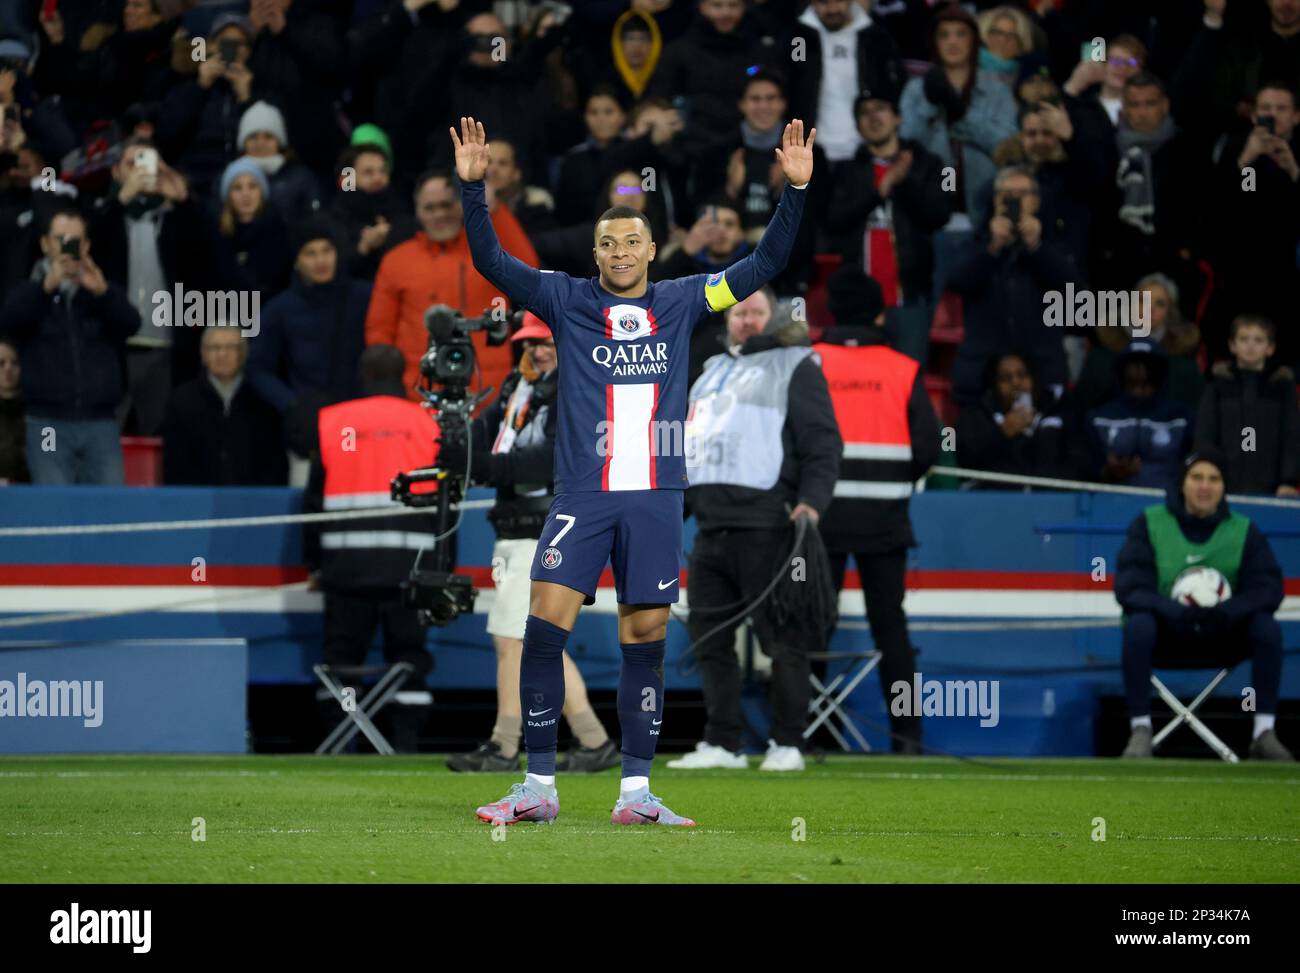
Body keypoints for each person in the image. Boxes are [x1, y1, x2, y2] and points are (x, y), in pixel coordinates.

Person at [453, 112, 813, 826]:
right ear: (595, 254)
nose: (619, 251)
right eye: (607, 243)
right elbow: (493, 262)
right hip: (584, 495)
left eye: (631, 241)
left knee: (644, 642)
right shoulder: (565, 297)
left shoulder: (684, 299)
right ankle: (538, 786)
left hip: (655, 496)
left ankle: (635, 793)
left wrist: (794, 192)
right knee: (542, 629)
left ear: (653, 249)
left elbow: (763, 266)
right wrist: (475, 190)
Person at [670, 287, 841, 772]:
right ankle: (724, 743)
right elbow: (692, 449)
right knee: (708, 638)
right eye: (739, 312)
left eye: (757, 311)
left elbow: (822, 442)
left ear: (774, 317)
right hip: (710, 527)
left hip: (769, 523)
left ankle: (787, 743)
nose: (746, 320)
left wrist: (811, 503)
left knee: (782, 637)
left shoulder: (796, 364)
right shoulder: (710, 371)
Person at [440, 314, 620, 774]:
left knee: (512, 640)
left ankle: (503, 746)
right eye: (529, 344)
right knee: (539, 642)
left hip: (546, 527)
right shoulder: (516, 390)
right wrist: (459, 439)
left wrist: (482, 464)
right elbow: (483, 446)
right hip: (518, 527)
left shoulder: (576, 391)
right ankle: (594, 740)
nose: (537, 352)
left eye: (545, 342)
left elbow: (545, 462)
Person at [813, 267, 938, 753]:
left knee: (814, 624)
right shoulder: (902, 367)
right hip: (885, 520)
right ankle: (907, 736)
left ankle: (813, 734)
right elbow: (928, 447)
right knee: (891, 630)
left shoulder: (809, 361)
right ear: (879, 312)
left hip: (819, 521)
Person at [302, 344, 439, 755]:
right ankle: (406, 743)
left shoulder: (333, 421)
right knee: (409, 655)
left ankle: (342, 741)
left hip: (346, 566)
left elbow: (313, 503)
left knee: (342, 655)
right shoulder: (427, 422)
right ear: (402, 375)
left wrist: (314, 565)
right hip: (412, 566)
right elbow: (449, 504)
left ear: (362, 374)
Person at [1115, 447, 1292, 761]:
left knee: (1266, 627)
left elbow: (1269, 589)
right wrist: (1179, 613)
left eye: (1214, 478)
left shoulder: (1244, 530)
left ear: (1224, 486)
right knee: (1138, 625)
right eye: (1197, 477)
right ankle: (1140, 728)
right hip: (1168, 636)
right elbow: (1130, 588)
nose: (1205, 486)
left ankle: (1264, 732)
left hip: (1223, 635)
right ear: (1182, 483)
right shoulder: (1148, 523)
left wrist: (1223, 613)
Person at [364, 169, 539, 401]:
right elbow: (379, 333)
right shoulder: (396, 260)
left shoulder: (488, 250)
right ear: (417, 212)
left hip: (488, 392)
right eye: (430, 208)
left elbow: (530, 274)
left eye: (447, 205)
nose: (439, 214)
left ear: (462, 205)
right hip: (418, 393)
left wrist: (493, 210)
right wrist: (388, 393)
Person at [0, 206, 140, 484]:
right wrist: (45, 287)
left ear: (86, 245)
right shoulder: (29, 290)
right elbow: (9, 320)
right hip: (46, 423)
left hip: (100, 422)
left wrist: (102, 293)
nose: (67, 246)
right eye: (59, 239)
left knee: (108, 510)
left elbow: (131, 323)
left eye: (74, 239)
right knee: (54, 509)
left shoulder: (100, 290)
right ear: (44, 244)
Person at [827, 89, 952, 367]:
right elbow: (834, 220)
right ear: (857, 125)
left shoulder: (927, 165)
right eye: (864, 113)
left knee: (907, 385)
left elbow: (938, 216)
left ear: (898, 118)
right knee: (861, 385)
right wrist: (878, 191)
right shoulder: (845, 170)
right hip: (859, 305)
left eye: (880, 108)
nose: (873, 117)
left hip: (909, 300)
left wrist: (903, 182)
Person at [246, 217, 371, 487]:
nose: (320, 260)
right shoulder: (280, 308)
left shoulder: (364, 297)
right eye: (310, 253)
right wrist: (292, 405)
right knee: (308, 508)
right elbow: (256, 367)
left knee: (360, 498)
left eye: (327, 250)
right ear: (297, 261)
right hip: (308, 430)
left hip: (360, 424)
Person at [947, 165, 1073, 405]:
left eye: (1023, 193)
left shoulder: (1056, 242)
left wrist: (1037, 248)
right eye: (1006, 194)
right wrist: (992, 248)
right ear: (995, 200)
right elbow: (956, 281)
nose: (1014, 200)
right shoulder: (975, 242)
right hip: (981, 373)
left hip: (1042, 370)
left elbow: (1074, 291)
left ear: (1036, 201)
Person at [160, 324, 287, 486]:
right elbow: (174, 465)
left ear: (243, 353)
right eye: (214, 348)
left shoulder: (264, 401)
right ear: (203, 354)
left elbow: (275, 464)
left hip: (254, 502)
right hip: (196, 502)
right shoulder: (181, 402)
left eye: (230, 347)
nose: (222, 354)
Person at [786, 0, 905, 164]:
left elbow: (893, 90)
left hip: (865, 151)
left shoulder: (877, 38)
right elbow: (787, 90)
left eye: (838, 1)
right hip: (810, 152)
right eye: (824, 2)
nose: (832, 9)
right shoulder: (797, 38)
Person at [1196, 315, 1300, 497]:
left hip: (1272, 485)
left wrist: (1288, 480)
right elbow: (1206, 433)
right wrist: (1207, 477)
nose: (1250, 346)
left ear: (1270, 348)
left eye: (1258, 340)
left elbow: (1291, 436)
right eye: (1244, 339)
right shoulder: (1217, 386)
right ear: (1232, 345)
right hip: (1224, 482)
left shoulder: (1282, 388)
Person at [956, 351, 1083, 487]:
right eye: (1005, 378)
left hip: (1052, 501)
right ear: (994, 385)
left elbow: (1081, 462)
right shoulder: (976, 416)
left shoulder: (1059, 411)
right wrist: (1001, 433)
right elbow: (960, 458)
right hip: (996, 500)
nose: (1016, 382)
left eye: (1022, 375)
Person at [1085, 338, 1194, 489]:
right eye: (1133, 365)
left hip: (1167, 504)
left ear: (1161, 373)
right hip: (1110, 501)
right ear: (1120, 371)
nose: (1139, 371)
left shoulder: (1181, 417)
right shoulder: (1099, 418)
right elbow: (1086, 468)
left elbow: (1194, 464)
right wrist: (1108, 472)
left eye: (1147, 366)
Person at [0, 335, 27, 483]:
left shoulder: (39, 413)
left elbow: (50, 452)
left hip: (30, 493)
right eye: (1, 363)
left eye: (14, 363)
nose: (8, 369)